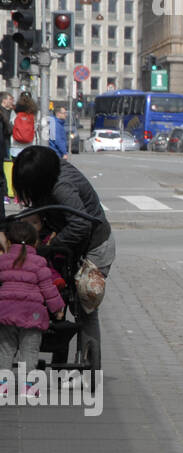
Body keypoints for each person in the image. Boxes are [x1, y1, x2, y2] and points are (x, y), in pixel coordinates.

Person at [11, 146, 115, 371]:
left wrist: (50, 245)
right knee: (55, 291)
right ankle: (58, 354)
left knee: (84, 302)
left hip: (94, 245)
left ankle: (88, 360)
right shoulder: (46, 177)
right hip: (65, 242)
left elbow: (81, 225)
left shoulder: (62, 186)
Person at [0, 220, 66, 401]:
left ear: (8, 241)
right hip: (32, 314)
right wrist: (58, 309)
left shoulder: (3, 260)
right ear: (35, 243)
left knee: (5, 350)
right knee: (29, 351)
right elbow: (48, 290)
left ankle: (2, 387)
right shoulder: (39, 262)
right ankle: (28, 389)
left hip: (5, 312)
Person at [10, 93, 36, 158]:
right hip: (30, 146)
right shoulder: (34, 117)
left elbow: (10, 128)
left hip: (15, 147)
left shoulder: (14, 115)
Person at [0, 92, 12, 214]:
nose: (11, 101)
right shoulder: (3, 114)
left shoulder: (9, 112)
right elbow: (8, 131)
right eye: (9, 99)